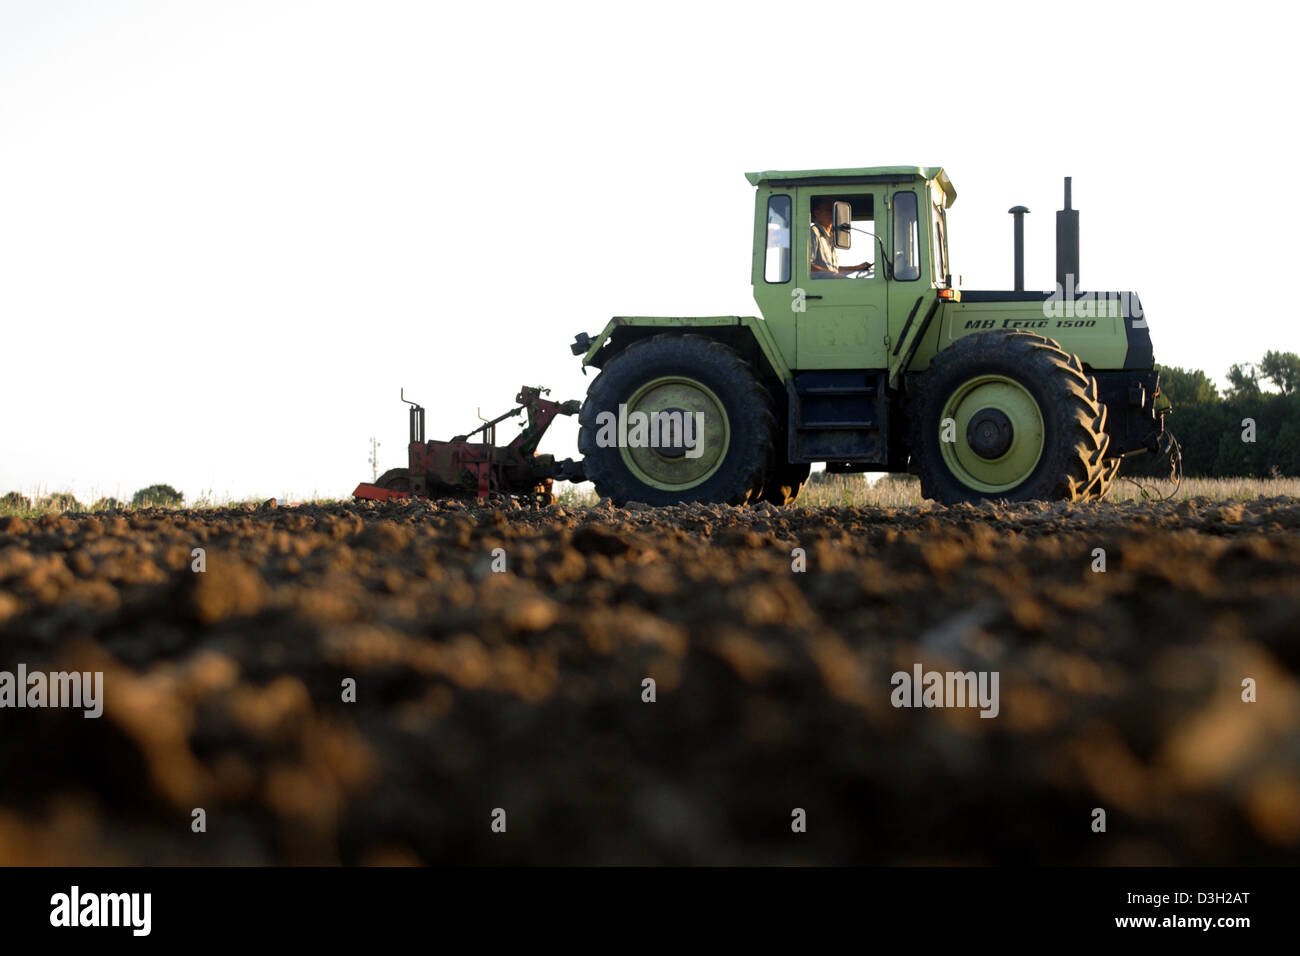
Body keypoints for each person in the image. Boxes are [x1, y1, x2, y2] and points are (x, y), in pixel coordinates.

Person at [810, 198, 872, 278]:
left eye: (835, 210)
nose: (833, 213)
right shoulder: (813, 233)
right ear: (817, 213)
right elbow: (806, 267)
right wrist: (834, 275)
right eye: (830, 210)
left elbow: (833, 269)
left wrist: (857, 268)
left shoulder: (831, 237)